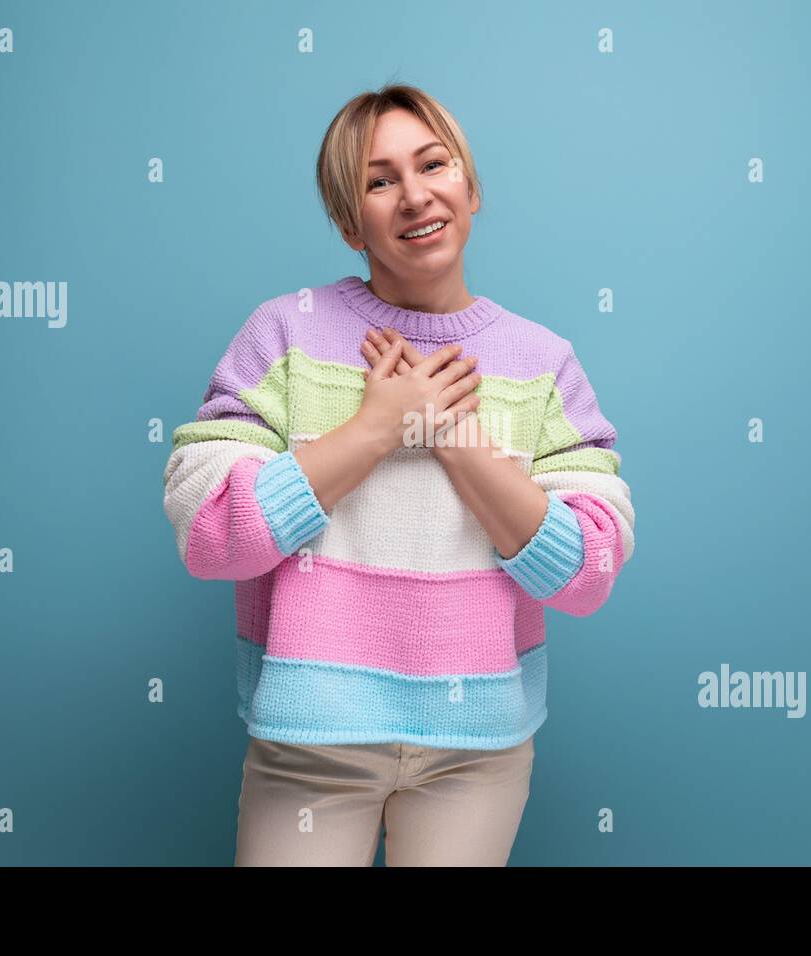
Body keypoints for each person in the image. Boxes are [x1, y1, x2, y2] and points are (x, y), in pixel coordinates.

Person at [162, 84, 636, 866]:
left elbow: (587, 573)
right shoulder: (284, 333)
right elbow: (214, 536)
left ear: (471, 187)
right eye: (379, 181)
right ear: (350, 222)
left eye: (433, 165)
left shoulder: (542, 361)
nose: (414, 195)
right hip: (312, 738)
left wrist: (453, 437)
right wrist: (377, 425)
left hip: (475, 752)